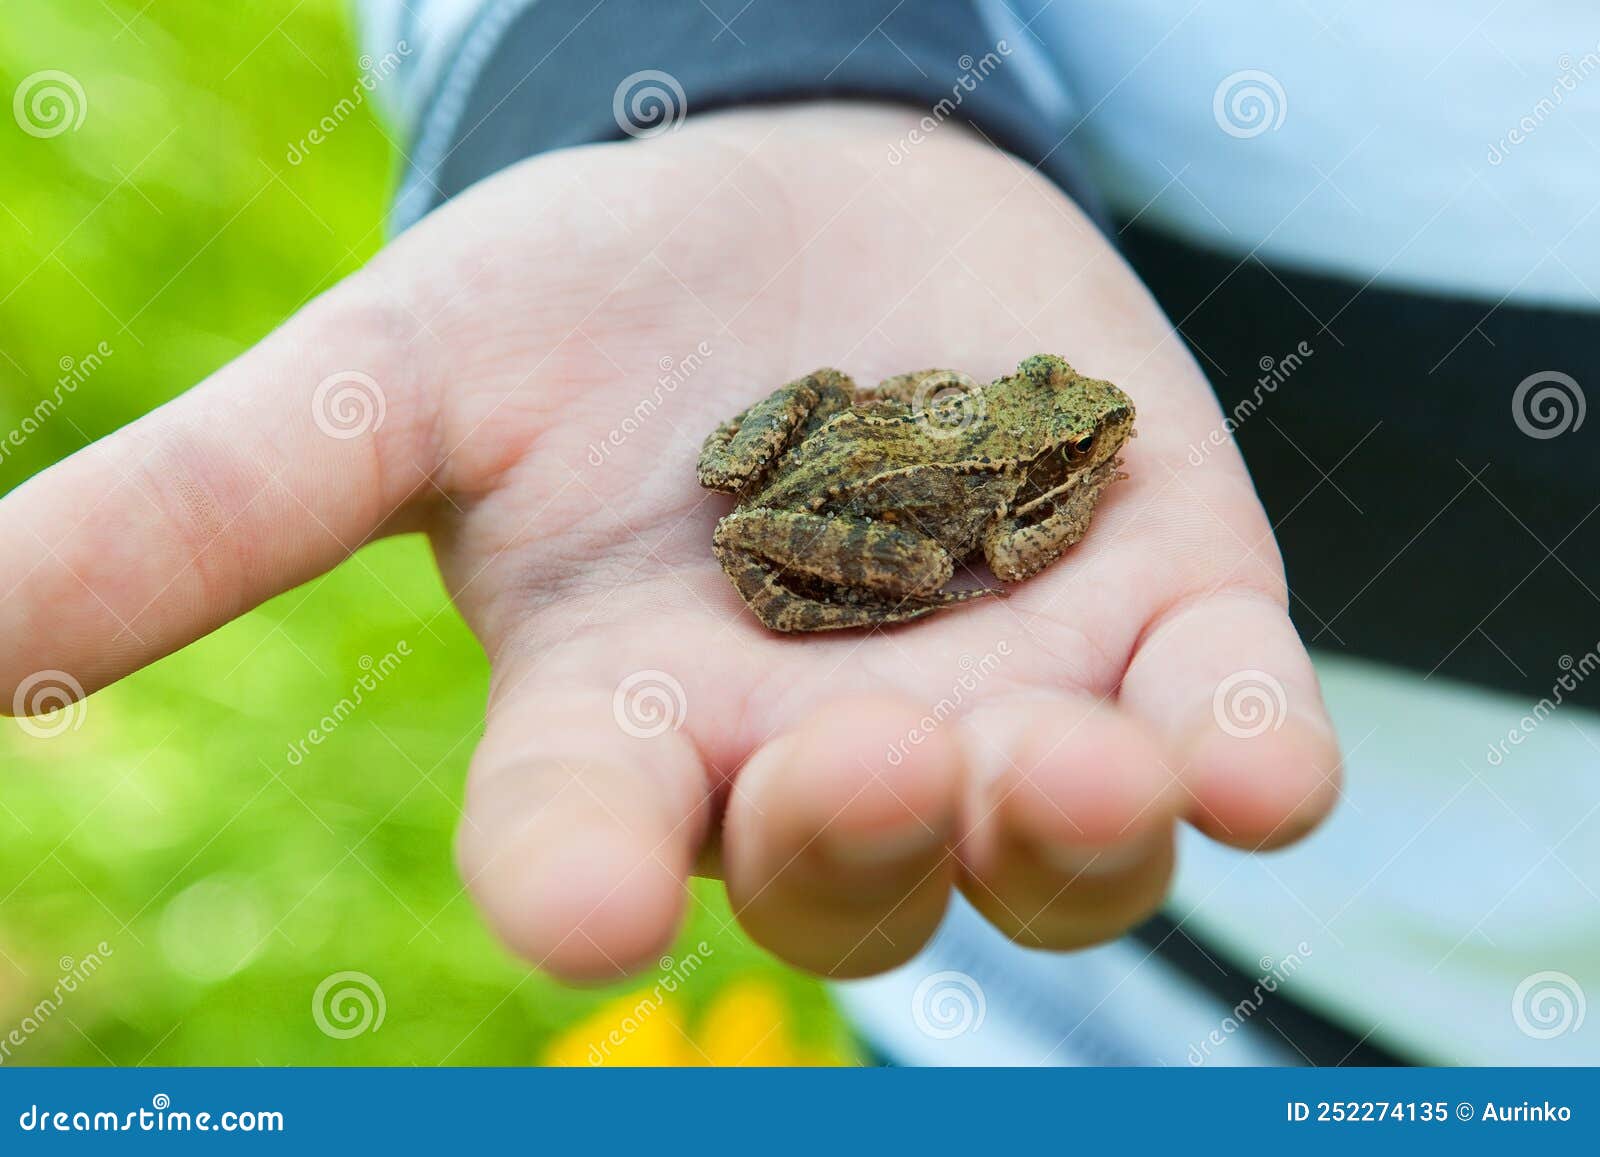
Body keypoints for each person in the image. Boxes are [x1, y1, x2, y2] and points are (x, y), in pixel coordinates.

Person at [8, 1, 1596, 1065]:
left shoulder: (1016, 426)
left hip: (1250, 990)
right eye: (1073, 436)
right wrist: (758, 69)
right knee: (926, 578)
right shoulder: (1020, 488)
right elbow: (998, 553)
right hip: (1082, 1042)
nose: (1098, 441)